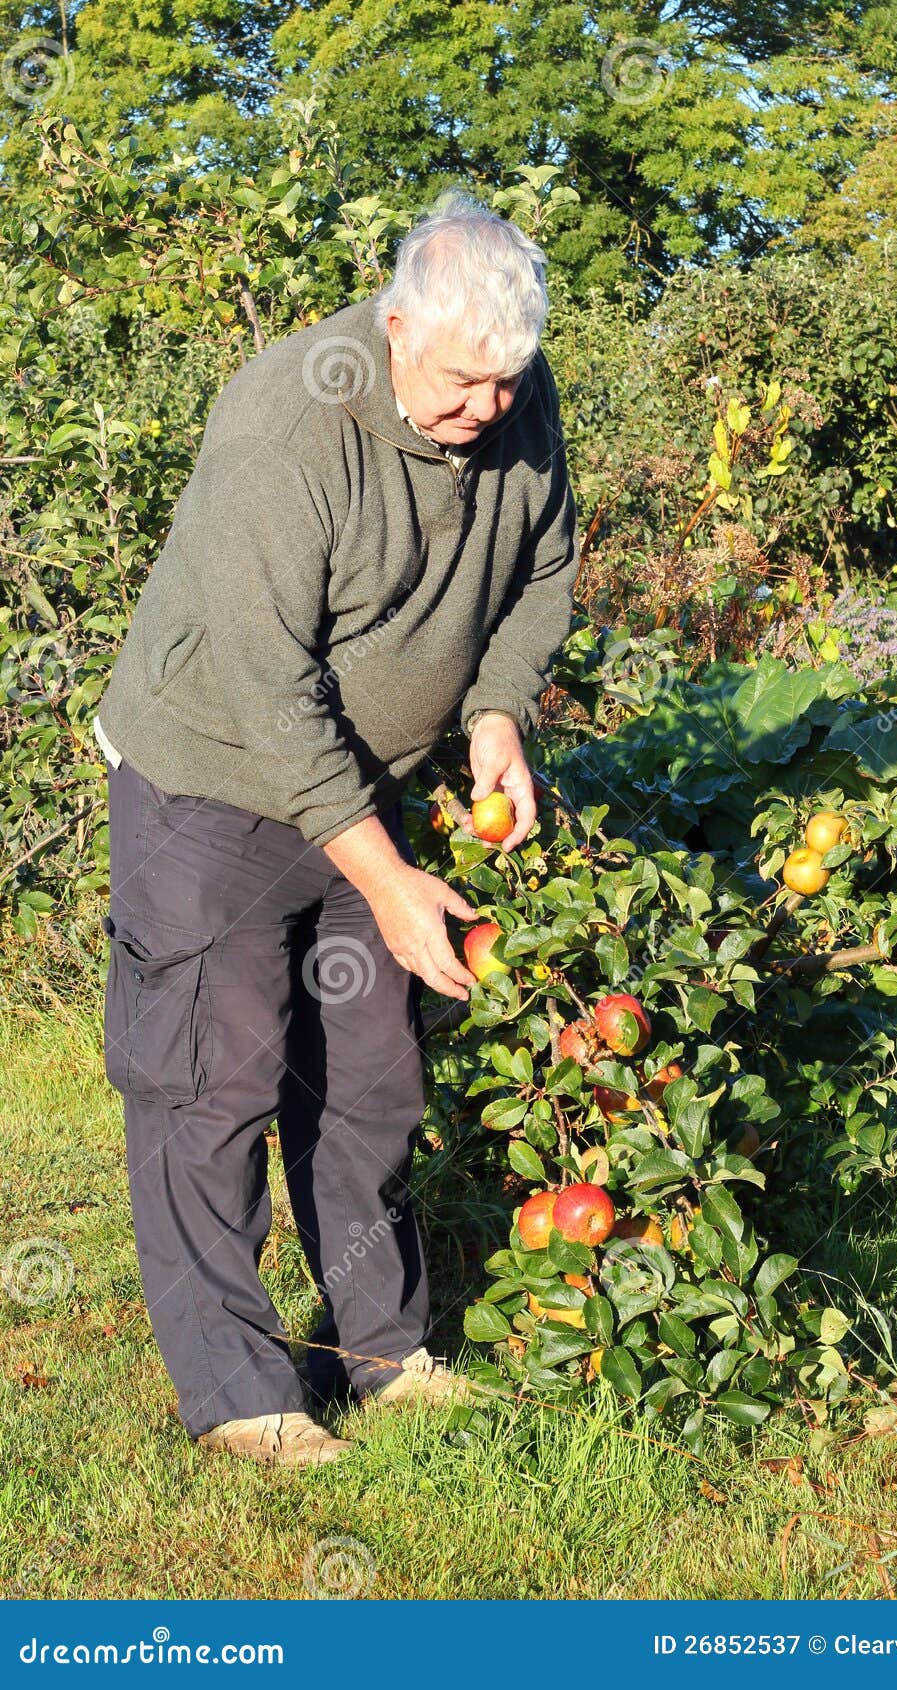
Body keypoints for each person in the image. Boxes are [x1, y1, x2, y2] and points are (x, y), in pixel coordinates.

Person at [93, 190, 580, 1466]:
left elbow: (540, 574)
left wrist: (495, 718)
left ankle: (383, 1351)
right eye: (464, 383)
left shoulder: (517, 394)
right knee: (211, 1080)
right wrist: (389, 873)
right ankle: (242, 1392)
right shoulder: (292, 419)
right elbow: (271, 686)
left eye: (507, 383)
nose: (489, 411)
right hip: (215, 781)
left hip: (376, 779)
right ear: (395, 321)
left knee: (366, 1082)